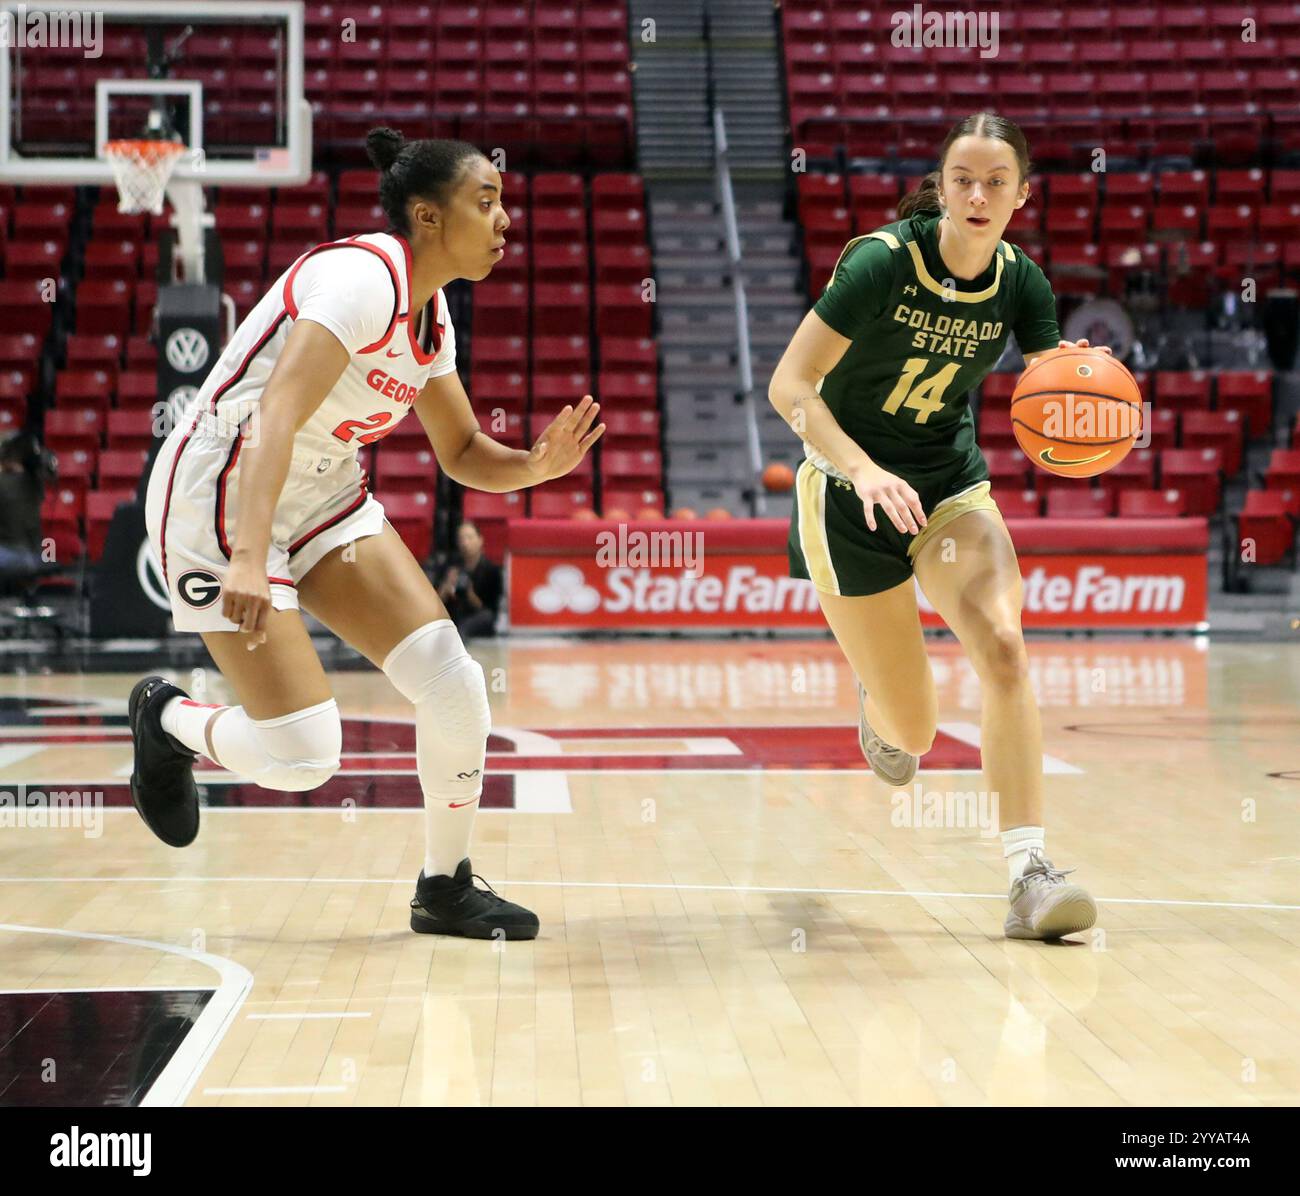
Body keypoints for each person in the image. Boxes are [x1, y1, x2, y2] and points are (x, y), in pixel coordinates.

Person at [131, 126, 603, 941]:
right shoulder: (360, 276)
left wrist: (534, 466)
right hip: (223, 491)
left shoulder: (433, 317)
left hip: (323, 495)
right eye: (485, 202)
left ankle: (445, 886)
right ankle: (166, 719)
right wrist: (249, 555)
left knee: (454, 684)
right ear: (426, 217)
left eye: (504, 205)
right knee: (303, 756)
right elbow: (276, 410)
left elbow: (459, 451)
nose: (504, 221)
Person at [769, 111, 1105, 941]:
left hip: (948, 489)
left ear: (1022, 195)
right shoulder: (883, 264)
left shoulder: (1024, 284)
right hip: (849, 494)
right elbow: (791, 386)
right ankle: (881, 705)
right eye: (964, 179)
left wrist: (1086, 395)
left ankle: (1029, 872)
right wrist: (863, 469)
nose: (979, 194)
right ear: (943, 188)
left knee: (1003, 644)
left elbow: (1047, 391)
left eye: (997, 181)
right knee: (913, 730)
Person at [435, 520, 501, 639]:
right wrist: (446, 586)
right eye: (461, 539)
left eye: (469, 538)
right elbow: (436, 602)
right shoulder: (450, 565)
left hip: (478, 618)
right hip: (454, 615)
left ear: (480, 540)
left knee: (481, 619)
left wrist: (470, 594)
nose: (465, 543)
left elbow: (491, 613)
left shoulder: (492, 570)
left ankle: (458, 636)